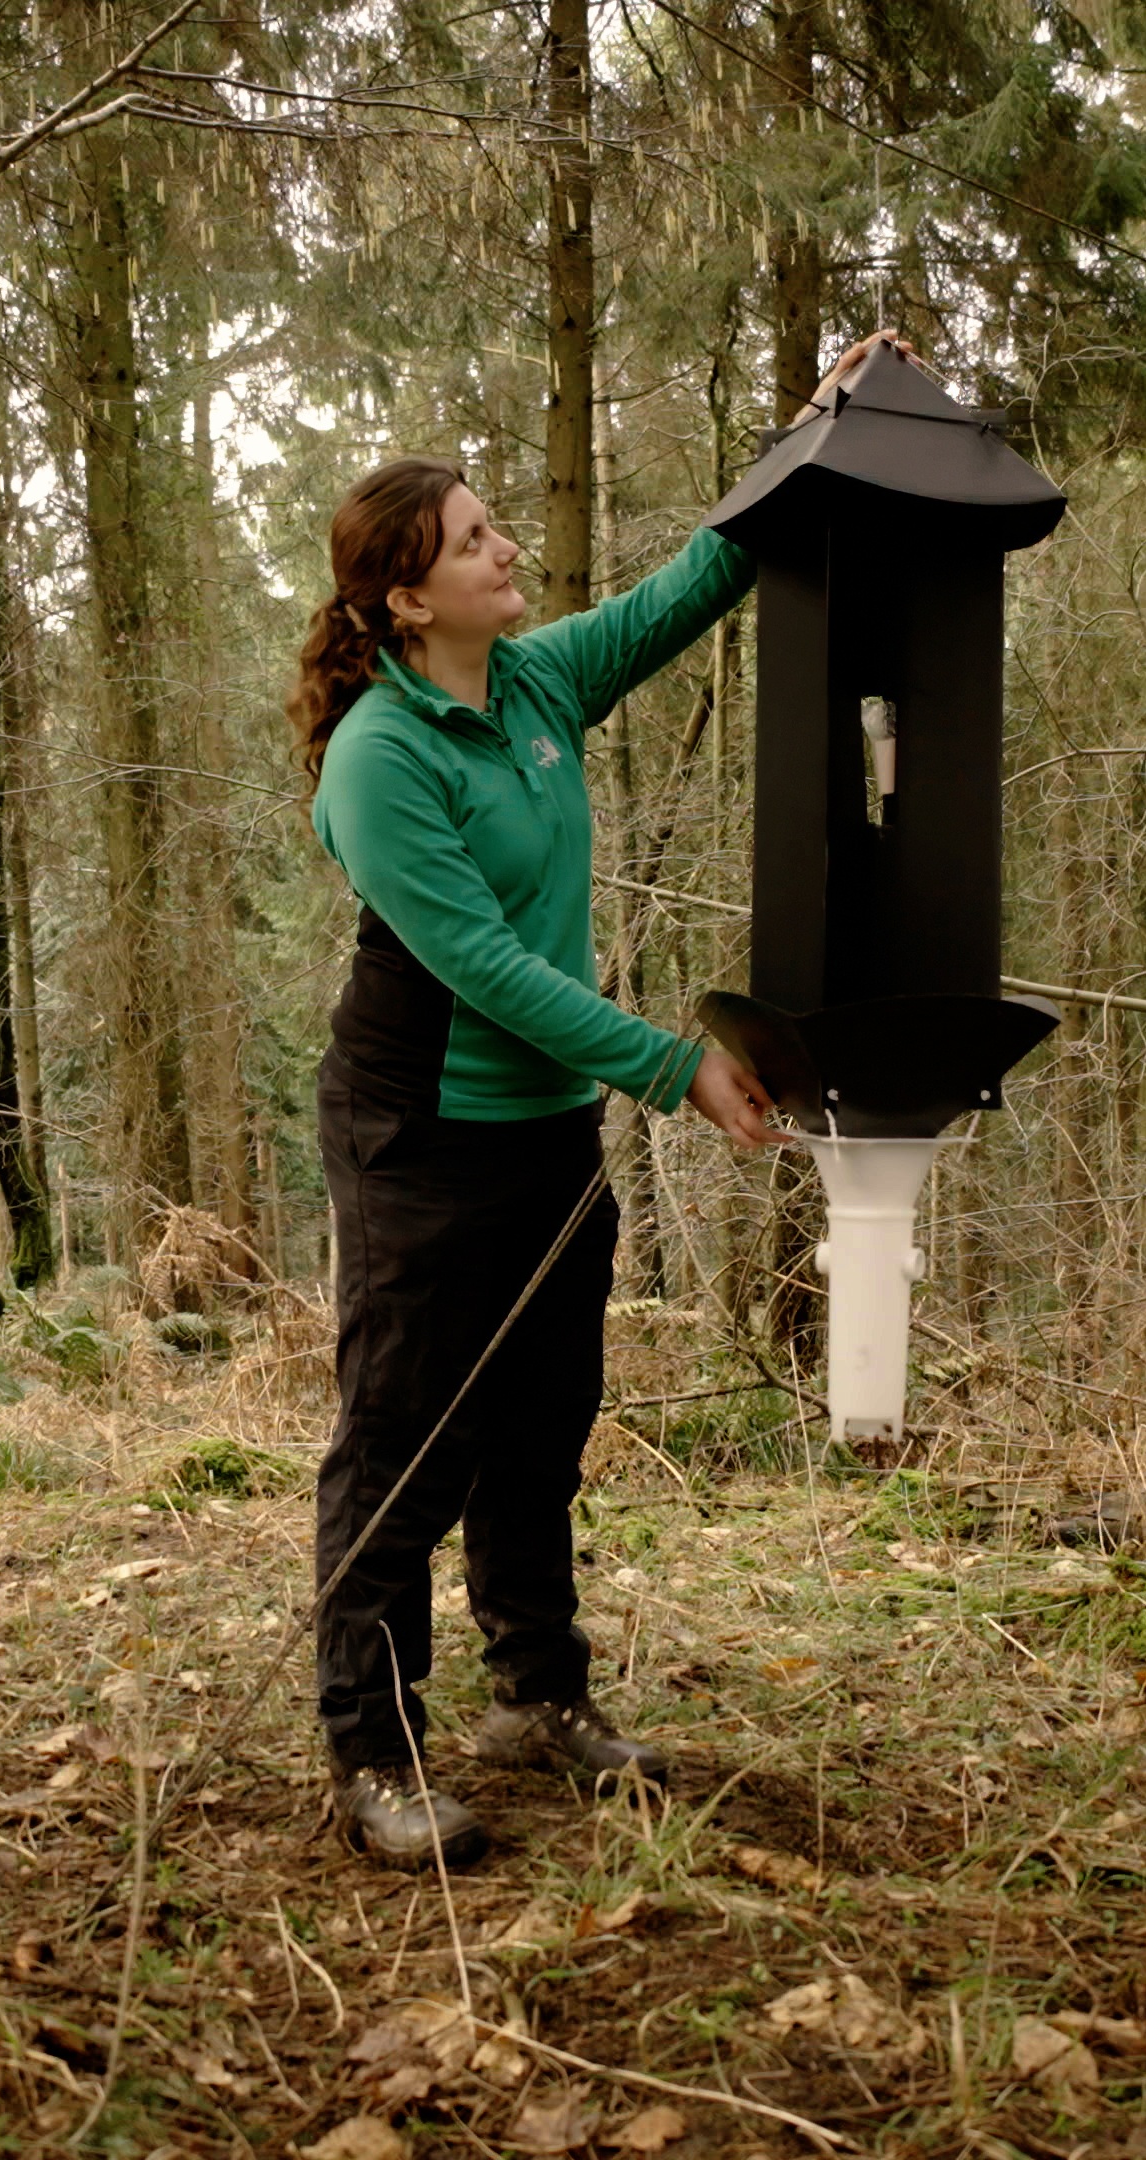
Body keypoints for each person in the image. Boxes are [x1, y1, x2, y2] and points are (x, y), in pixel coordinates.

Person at [285, 336, 902, 1868]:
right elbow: (485, 966)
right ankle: (375, 1752)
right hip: (420, 1135)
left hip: (549, 1134)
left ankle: (536, 1696)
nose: (508, 550)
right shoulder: (380, 759)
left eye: (496, 526)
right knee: (403, 1438)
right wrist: (675, 1065)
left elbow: (693, 585)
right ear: (407, 598)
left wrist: (813, 429)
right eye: (475, 541)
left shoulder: (536, 678)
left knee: (544, 1424)